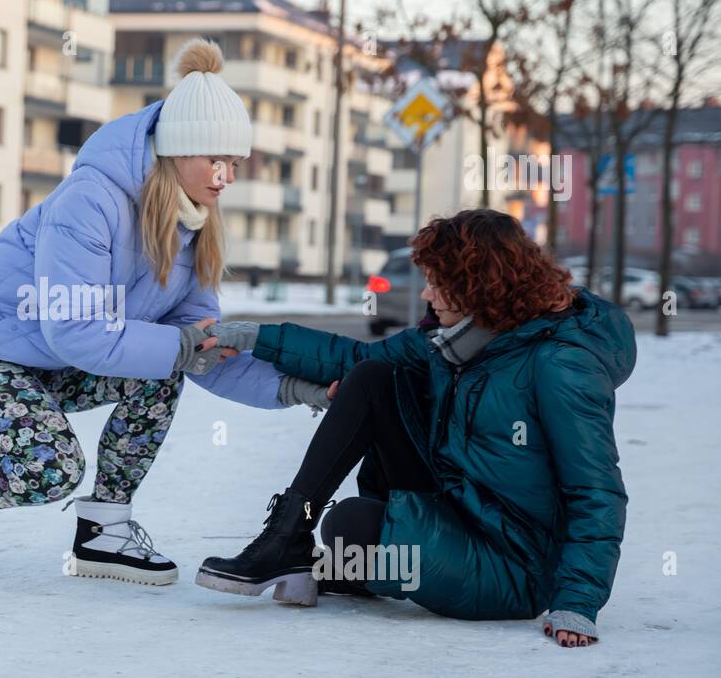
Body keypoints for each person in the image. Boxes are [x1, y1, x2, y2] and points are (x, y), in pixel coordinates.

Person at [0, 38, 328, 587]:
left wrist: (298, 388)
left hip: (47, 358)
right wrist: (183, 346)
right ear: (177, 149)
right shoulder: (92, 201)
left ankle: (104, 529)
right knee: (51, 466)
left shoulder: (194, 227)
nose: (226, 177)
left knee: (162, 373)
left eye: (235, 163)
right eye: (215, 159)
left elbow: (202, 350)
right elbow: (79, 332)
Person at [198, 209, 636, 647]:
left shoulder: (559, 363)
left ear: (479, 283)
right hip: (455, 509)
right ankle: (287, 538)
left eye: (437, 281)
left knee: (355, 530)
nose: (427, 293)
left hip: (508, 566)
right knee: (372, 379)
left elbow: (596, 489)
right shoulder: (455, 340)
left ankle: (336, 563)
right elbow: (350, 360)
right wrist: (253, 336)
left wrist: (577, 603)